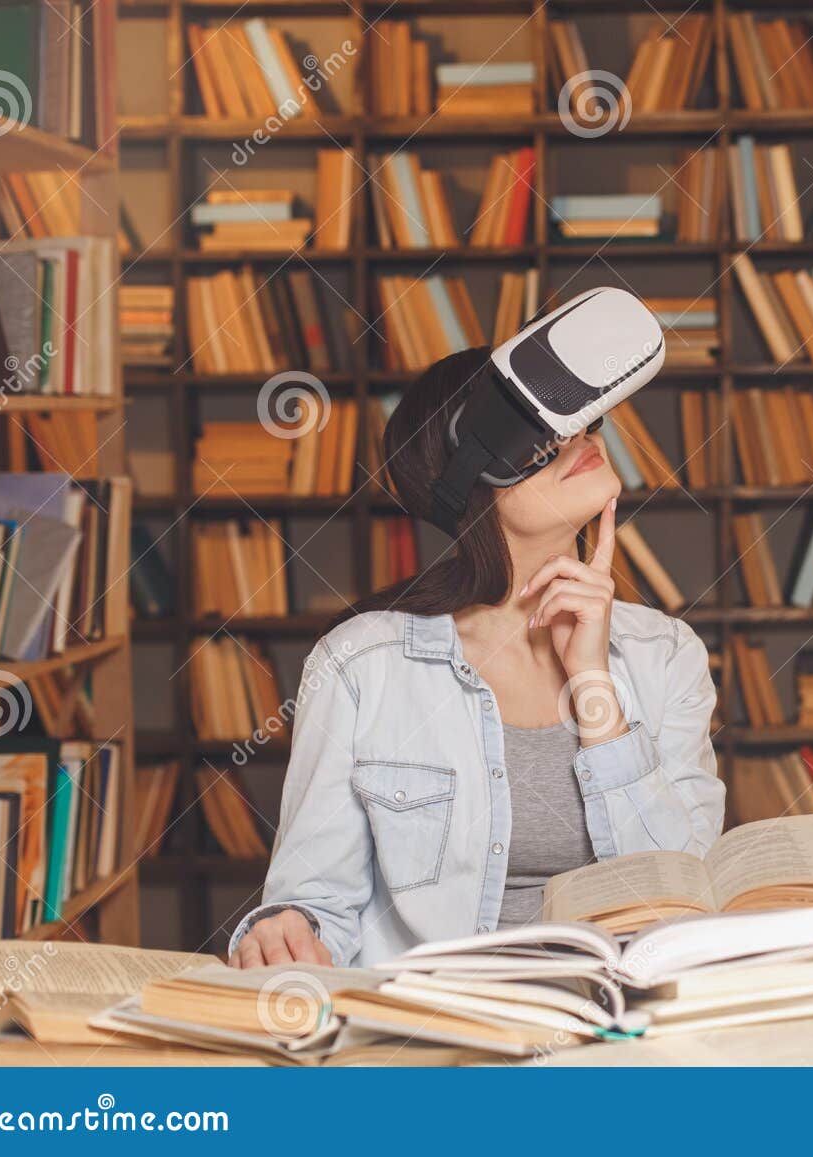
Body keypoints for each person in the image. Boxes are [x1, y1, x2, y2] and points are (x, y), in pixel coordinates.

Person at [227, 346, 724, 968]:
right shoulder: (361, 665)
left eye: (580, 417)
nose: (578, 437)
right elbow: (317, 903)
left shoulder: (665, 655)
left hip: (624, 1022)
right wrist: (284, 930)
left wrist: (593, 682)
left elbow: (684, 895)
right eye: (536, 436)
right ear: (467, 481)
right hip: (439, 1028)